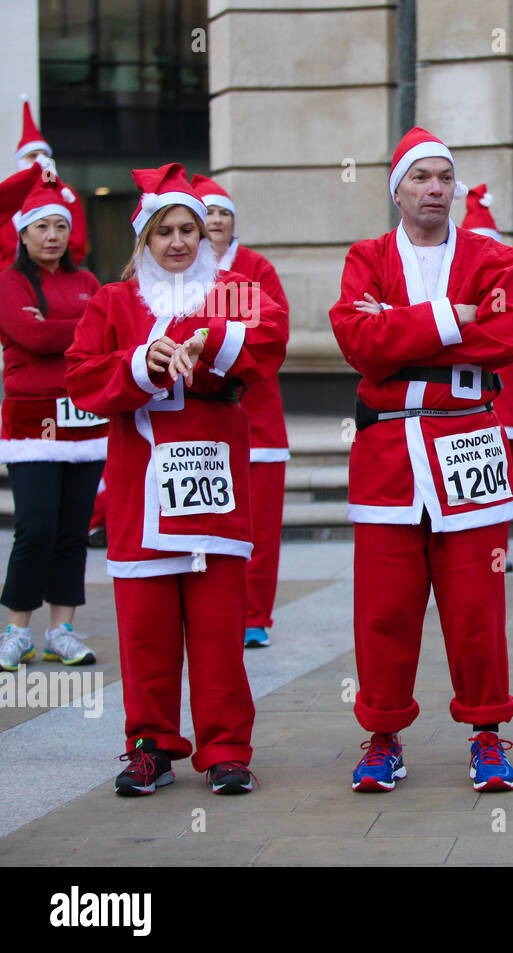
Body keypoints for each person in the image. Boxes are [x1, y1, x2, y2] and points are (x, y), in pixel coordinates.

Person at [65, 163, 288, 796]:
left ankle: (225, 750)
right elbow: (83, 378)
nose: (181, 242)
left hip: (213, 480)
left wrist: (208, 340)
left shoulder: (234, 291)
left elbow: (269, 340)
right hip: (140, 487)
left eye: (191, 229)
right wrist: (140, 363)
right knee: (145, 632)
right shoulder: (112, 301)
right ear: (144, 241)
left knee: (219, 629)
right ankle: (150, 746)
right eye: (165, 231)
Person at [329, 128, 513, 793]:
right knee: (383, 609)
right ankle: (382, 737)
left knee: (477, 606)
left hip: (469, 439)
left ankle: (488, 734)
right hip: (386, 450)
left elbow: (505, 337)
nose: (435, 188)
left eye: (444, 177)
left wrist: (401, 326)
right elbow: (356, 339)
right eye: (421, 178)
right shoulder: (367, 255)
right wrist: (449, 318)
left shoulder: (492, 257)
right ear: (398, 189)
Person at [0, 175, 104, 672]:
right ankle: (17, 629)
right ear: (23, 234)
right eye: (41, 226)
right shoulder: (9, 280)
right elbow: (31, 336)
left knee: (72, 531)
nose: (52, 235)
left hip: (84, 422)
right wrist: (80, 328)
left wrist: (60, 328)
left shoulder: (86, 281)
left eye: (60, 225)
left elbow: (106, 331)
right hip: (31, 423)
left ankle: (61, 629)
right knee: (35, 527)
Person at [191, 174, 293, 645]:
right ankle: (212, 614)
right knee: (210, 521)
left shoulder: (257, 267)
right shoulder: (179, 273)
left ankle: (255, 616)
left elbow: (271, 332)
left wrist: (210, 338)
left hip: (260, 420)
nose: (216, 221)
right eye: (208, 214)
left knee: (261, 525)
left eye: (224, 214)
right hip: (200, 424)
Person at [460, 182, 513, 571]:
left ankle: (498, 552)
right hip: (458, 402)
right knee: (468, 481)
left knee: (500, 481)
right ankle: (475, 551)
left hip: (508, 403)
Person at [1, 96, 87, 266]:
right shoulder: (9, 196)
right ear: (21, 160)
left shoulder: (66, 194)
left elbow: (77, 244)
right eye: (32, 156)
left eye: (44, 155)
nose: (39, 160)